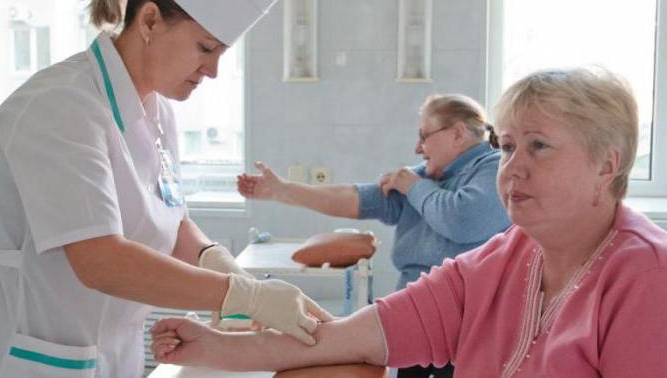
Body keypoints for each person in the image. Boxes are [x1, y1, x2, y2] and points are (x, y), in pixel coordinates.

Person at [0, 0, 333, 377]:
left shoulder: (156, 110)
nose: (213, 71)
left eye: (221, 53)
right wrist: (239, 295)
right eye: (205, 48)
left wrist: (217, 262)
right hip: (28, 356)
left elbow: (170, 216)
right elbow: (100, 260)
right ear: (150, 19)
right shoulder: (60, 108)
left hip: (109, 353)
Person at [152, 67, 667, 377]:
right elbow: (354, 336)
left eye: (539, 146)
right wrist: (221, 346)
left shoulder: (645, 278)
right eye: (508, 147)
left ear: (607, 164)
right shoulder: (500, 261)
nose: (514, 168)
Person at [238, 93, 510, 378]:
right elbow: (358, 199)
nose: (418, 148)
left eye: (424, 136)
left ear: (457, 134)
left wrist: (414, 187)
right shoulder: (425, 177)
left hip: (465, 320)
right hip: (415, 311)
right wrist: (284, 191)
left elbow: (463, 219)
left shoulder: (493, 168)